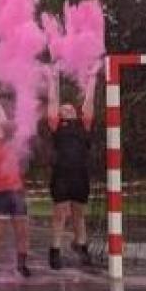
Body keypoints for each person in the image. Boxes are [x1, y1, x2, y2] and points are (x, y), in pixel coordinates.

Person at [47, 69, 95, 269]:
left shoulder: (84, 123)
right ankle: (55, 251)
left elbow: (89, 100)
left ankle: (82, 248)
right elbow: (52, 99)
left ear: (76, 111)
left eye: (70, 108)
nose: (66, 109)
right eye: (63, 108)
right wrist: (53, 77)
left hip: (80, 174)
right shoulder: (56, 124)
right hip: (61, 175)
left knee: (78, 214)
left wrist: (92, 77)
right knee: (60, 214)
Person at [0, 90, 31, 279]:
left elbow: (6, 122)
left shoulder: (12, 141)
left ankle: (22, 264)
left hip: (15, 191)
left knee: (22, 230)